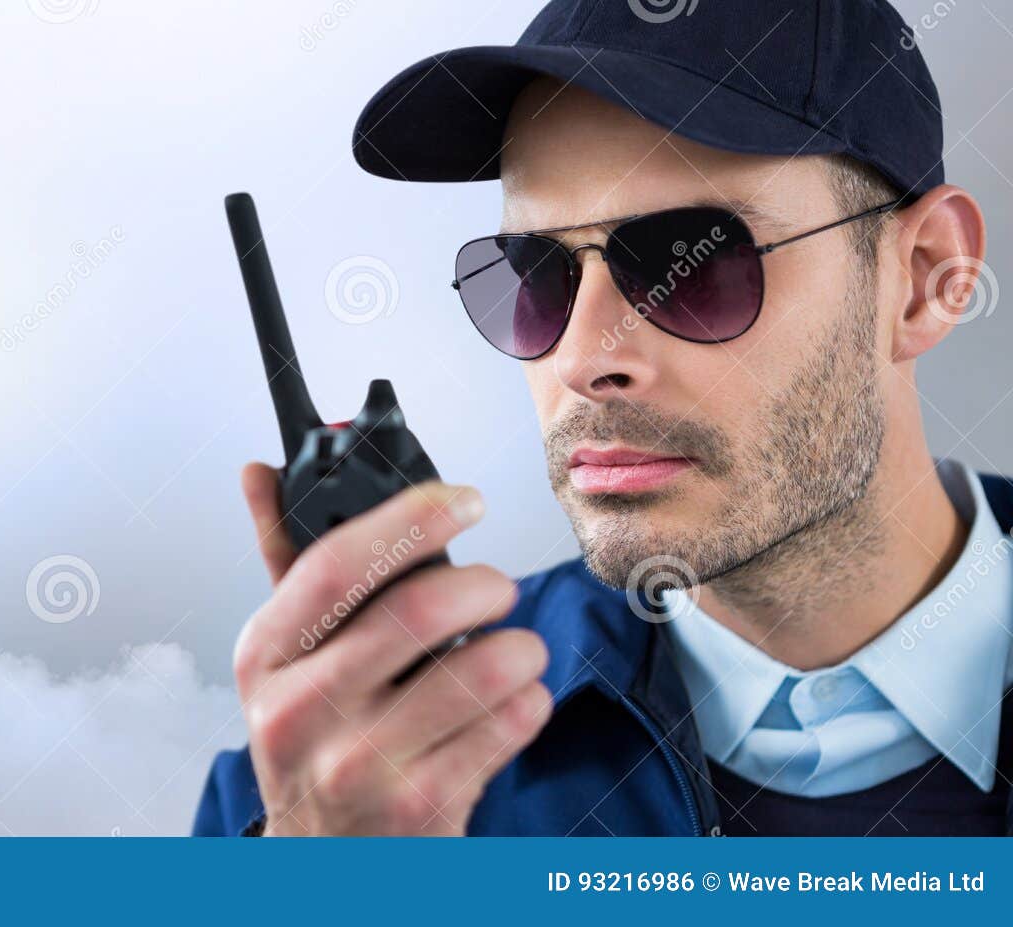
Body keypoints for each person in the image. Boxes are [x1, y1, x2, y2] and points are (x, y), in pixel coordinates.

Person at [194, 0, 1008, 837]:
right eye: (534, 274)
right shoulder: (320, 786)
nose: (582, 359)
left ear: (922, 277)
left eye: (693, 265)